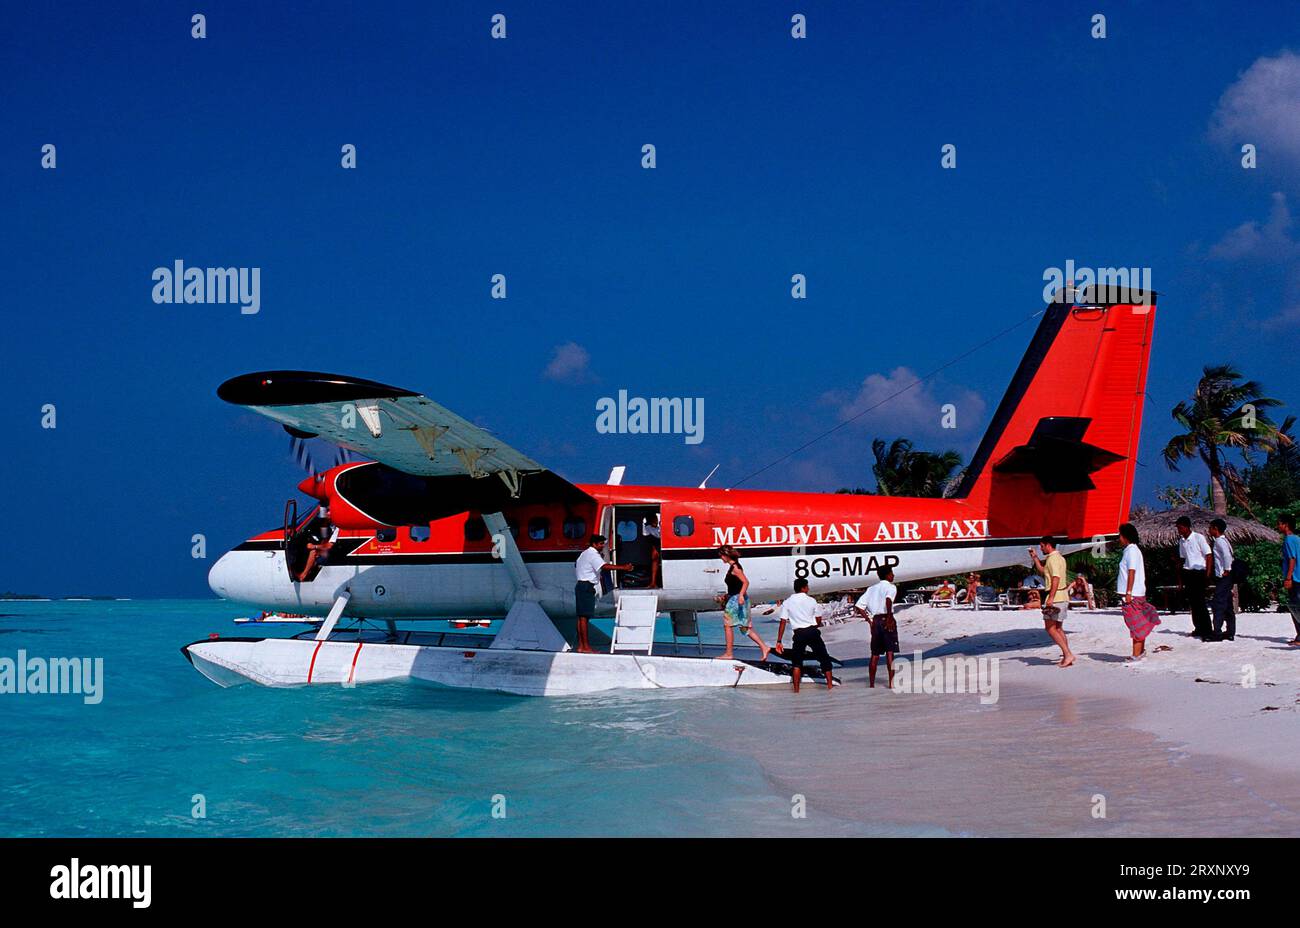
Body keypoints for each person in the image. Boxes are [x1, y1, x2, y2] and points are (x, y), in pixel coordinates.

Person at [574, 534, 631, 653]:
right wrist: (623, 567)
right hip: (586, 586)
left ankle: (581, 646)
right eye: (600, 544)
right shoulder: (593, 554)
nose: (602, 546)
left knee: (581, 617)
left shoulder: (584, 554)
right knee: (584, 617)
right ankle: (586, 647)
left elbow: (577, 565)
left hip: (581, 585)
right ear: (594, 544)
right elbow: (604, 566)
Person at [774, 578, 834, 691]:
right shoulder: (811, 600)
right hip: (812, 631)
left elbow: (783, 622)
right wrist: (815, 626)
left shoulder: (787, 602)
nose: (808, 588)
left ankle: (796, 691)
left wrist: (779, 641)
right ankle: (830, 686)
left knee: (797, 662)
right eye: (807, 586)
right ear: (803, 588)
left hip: (799, 633)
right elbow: (818, 618)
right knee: (824, 658)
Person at [715, 546, 771, 660]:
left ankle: (729, 653)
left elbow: (746, 582)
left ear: (726, 555)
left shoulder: (735, 568)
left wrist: (740, 595)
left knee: (727, 625)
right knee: (744, 628)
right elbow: (736, 586)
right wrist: (725, 597)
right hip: (734, 599)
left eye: (721, 556)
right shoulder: (732, 567)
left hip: (737, 600)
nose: (721, 558)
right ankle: (764, 647)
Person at [1029, 535, 1075, 667]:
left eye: (1042, 546)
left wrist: (1051, 597)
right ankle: (1067, 656)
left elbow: (1055, 578)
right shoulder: (1058, 558)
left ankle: (1068, 654)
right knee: (1058, 628)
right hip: (1062, 596)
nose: (1041, 549)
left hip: (1056, 597)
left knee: (1050, 628)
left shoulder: (1053, 559)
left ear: (1048, 545)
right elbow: (1045, 572)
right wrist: (1035, 558)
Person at [1116, 522, 1160, 659]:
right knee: (1138, 623)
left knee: (1135, 625)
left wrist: (1128, 592)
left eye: (1120, 536)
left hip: (1133, 594)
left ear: (1125, 537)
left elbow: (1131, 572)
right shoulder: (1131, 550)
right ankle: (1139, 652)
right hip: (1135, 593)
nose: (1119, 539)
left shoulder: (1132, 551)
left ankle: (1136, 654)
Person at [855, 566, 899, 687]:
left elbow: (859, 606)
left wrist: (869, 621)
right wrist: (889, 617)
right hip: (886, 618)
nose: (893, 575)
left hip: (876, 620)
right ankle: (891, 684)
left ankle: (872, 684)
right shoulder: (891, 587)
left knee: (875, 654)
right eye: (892, 573)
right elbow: (888, 601)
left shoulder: (871, 589)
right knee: (890, 652)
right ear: (887, 575)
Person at [1175, 515, 1214, 639]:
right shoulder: (1182, 541)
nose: (1179, 530)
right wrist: (1180, 578)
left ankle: (1207, 630)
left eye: (1180, 528)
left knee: (1201, 602)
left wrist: (1207, 574)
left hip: (1199, 572)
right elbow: (1182, 558)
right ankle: (1198, 628)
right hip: (1188, 572)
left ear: (1186, 527)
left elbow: (1208, 555)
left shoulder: (1198, 538)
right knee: (1193, 603)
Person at [1207, 518, 1236, 641]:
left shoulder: (1219, 541)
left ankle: (1217, 633)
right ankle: (1230, 632)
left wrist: (1227, 569)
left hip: (1224, 576)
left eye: (1210, 528)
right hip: (1226, 576)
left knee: (1218, 603)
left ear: (1215, 529)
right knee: (1227, 604)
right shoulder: (1223, 540)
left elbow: (1226, 555)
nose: (1209, 530)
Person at [1280, 513, 1300, 645]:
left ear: (1285, 525)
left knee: (1295, 608)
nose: (1278, 526)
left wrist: (1288, 577)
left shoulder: (1289, 540)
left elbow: (1292, 559)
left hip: (1295, 578)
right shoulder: (1297, 539)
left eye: (1279, 523)